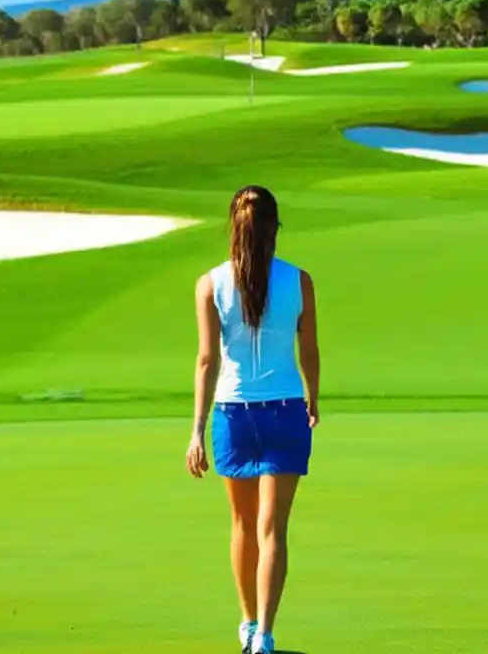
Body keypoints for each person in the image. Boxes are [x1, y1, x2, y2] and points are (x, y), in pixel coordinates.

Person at [185, 185, 320, 654]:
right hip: (285, 410)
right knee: (272, 529)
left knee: (243, 525)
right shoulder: (299, 281)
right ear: (275, 229)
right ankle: (263, 632)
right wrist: (314, 399)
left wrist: (195, 431)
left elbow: (207, 361)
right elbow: (309, 351)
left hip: (232, 414)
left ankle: (247, 624)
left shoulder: (210, 284)